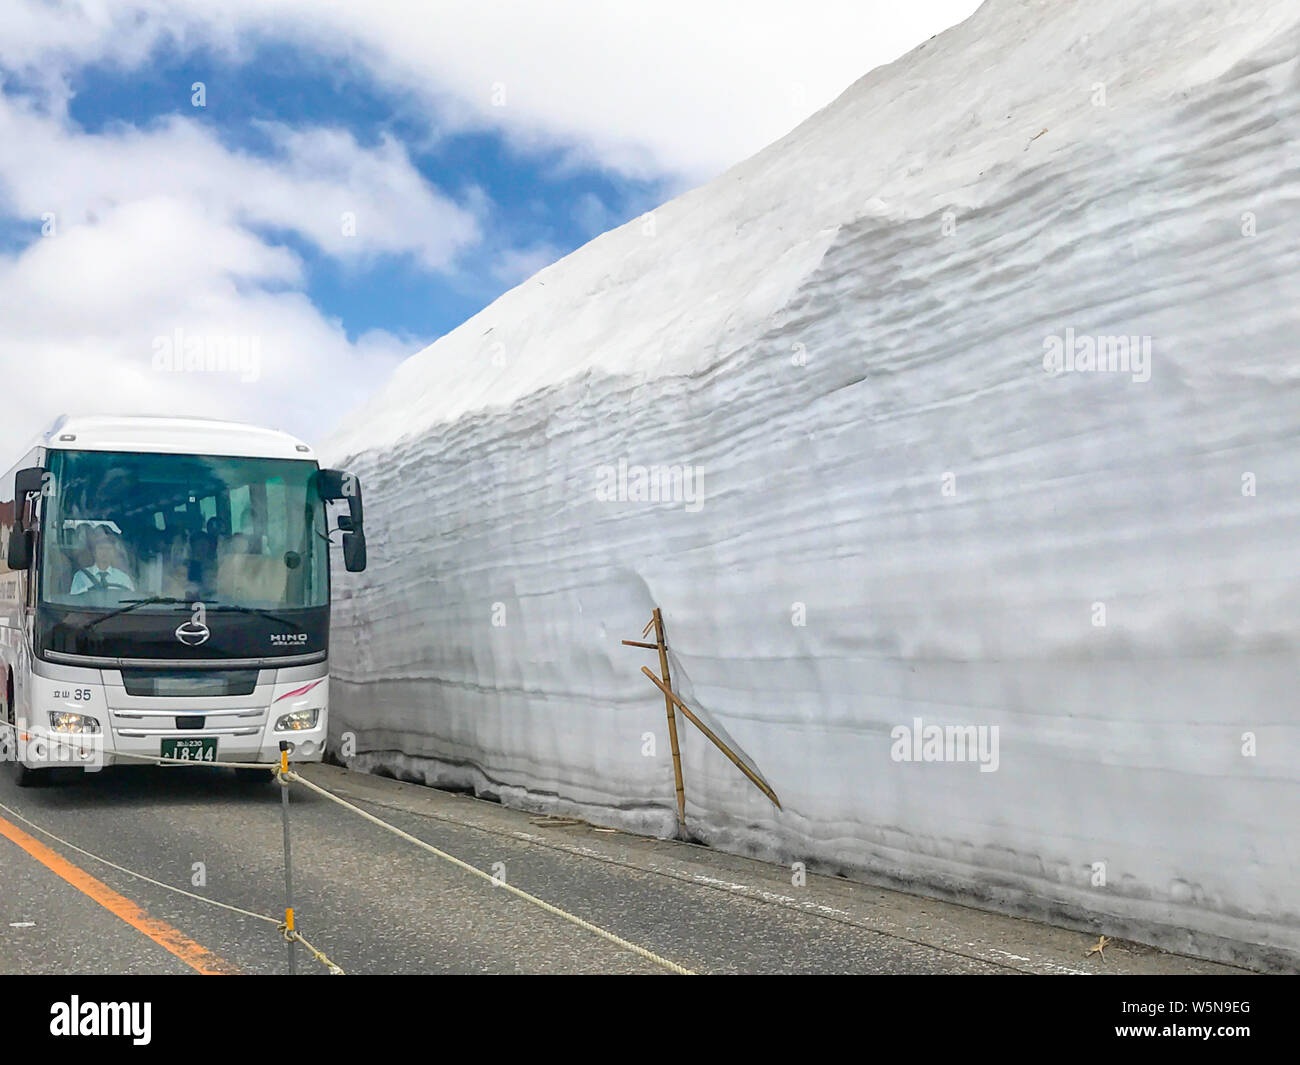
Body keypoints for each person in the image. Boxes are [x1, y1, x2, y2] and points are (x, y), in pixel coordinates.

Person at [70, 528, 136, 595]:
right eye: (101, 548)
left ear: (114, 552)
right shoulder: (81, 577)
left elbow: (131, 600)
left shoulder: (123, 578)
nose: (105, 552)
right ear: (94, 552)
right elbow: (74, 600)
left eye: (109, 549)